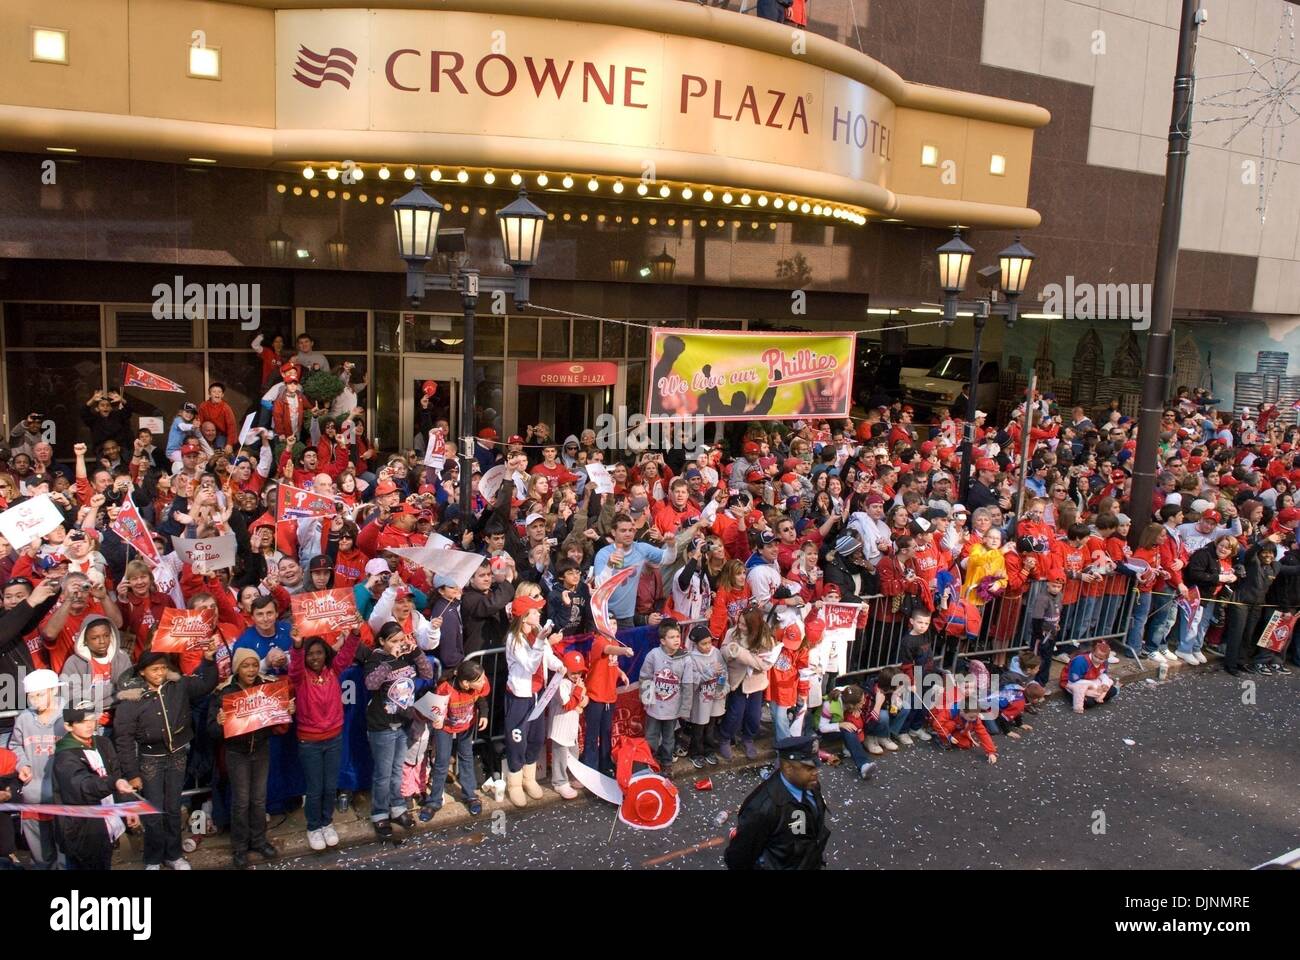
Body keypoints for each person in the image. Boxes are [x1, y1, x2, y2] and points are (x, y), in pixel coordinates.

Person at [113, 645, 218, 870]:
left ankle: (174, 854)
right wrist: (132, 773)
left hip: (177, 756)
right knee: (153, 811)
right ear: (142, 671)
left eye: (162, 668)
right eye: (154, 669)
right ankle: (152, 858)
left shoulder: (178, 684)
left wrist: (208, 661)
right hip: (150, 759)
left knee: (172, 807)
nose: (160, 673)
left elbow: (205, 684)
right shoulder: (132, 698)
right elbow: (123, 738)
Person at [208, 646, 293, 869]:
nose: (251, 669)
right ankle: (239, 847)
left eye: (255, 665)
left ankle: (259, 840)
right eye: (246, 665)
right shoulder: (224, 692)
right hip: (236, 753)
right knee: (241, 802)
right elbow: (211, 731)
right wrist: (219, 723)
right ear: (237, 668)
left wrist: (287, 710)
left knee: (258, 799)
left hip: (261, 749)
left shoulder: (266, 687)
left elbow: (277, 721)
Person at [363, 620, 435, 840]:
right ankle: (379, 813)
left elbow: (427, 673)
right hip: (382, 725)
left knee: (397, 771)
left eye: (401, 639)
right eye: (393, 641)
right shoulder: (376, 658)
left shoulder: (407, 655)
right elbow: (371, 684)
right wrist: (389, 660)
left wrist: (416, 652)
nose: (399, 644)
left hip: (403, 721)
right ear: (382, 641)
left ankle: (398, 808)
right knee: (383, 774)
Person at [51, 700, 140, 871]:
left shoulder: (103, 743)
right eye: (82, 722)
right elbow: (83, 785)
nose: (89, 725)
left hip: (106, 826)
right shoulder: (65, 756)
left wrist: (127, 807)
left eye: (92, 719)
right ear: (69, 726)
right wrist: (113, 783)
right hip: (83, 831)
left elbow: (117, 774)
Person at [725, 735, 831, 870]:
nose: (816, 772)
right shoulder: (762, 808)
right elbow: (738, 859)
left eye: (816, 766)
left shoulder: (811, 785)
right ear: (787, 767)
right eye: (808, 768)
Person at [501, 582, 562, 807]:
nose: (539, 613)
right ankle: (514, 783)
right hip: (519, 697)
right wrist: (539, 641)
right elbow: (529, 664)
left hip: (538, 693)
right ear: (525, 616)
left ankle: (529, 778)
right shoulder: (514, 639)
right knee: (518, 739)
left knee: (536, 738)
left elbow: (548, 656)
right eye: (535, 611)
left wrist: (559, 666)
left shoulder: (538, 634)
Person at [10, 668, 65, 868]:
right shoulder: (24, 718)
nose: (34, 700)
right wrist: (22, 764)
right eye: (30, 696)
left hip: (63, 796)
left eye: (39, 694)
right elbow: (15, 745)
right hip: (33, 794)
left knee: (65, 851)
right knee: (41, 854)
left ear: (53, 691)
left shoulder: (67, 717)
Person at [426, 658, 490, 819]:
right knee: (442, 761)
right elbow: (431, 708)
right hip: (445, 727)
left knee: (466, 757)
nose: (484, 681)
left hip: (466, 725)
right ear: (466, 683)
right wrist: (436, 717)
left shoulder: (477, 686)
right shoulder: (445, 689)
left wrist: (484, 714)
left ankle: (470, 795)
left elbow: (480, 698)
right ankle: (434, 801)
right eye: (480, 680)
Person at [638, 619, 695, 771]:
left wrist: (685, 709)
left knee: (669, 738)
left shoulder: (686, 659)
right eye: (671, 637)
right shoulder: (653, 655)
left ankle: (667, 763)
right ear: (662, 641)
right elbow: (645, 677)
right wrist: (646, 699)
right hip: (654, 706)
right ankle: (649, 761)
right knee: (651, 736)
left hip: (672, 709)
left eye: (678, 636)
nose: (676, 640)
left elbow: (688, 685)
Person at [548, 650, 588, 799]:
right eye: (573, 672)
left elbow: (584, 699)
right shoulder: (560, 683)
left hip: (571, 724)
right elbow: (567, 704)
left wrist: (582, 701)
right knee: (560, 755)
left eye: (579, 672)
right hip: (560, 726)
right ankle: (559, 782)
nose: (577, 675)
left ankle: (572, 776)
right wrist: (579, 692)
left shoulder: (577, 683)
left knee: (573, 753)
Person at [1061, 641, 1117, 712]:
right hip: (1073, 683)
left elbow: (1103, 674)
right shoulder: (1080, 661)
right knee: (1089, 703)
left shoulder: (1105, 663)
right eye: (1095, 656)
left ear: (1105, 659)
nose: (1097, 660)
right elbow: (1073, 680)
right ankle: (1091, 698)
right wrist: (1094, 687)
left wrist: (1104, 684)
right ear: (1092, 652)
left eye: (1101, 659)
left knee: (1113, 691)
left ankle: (1094, 696)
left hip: (1092, 681)